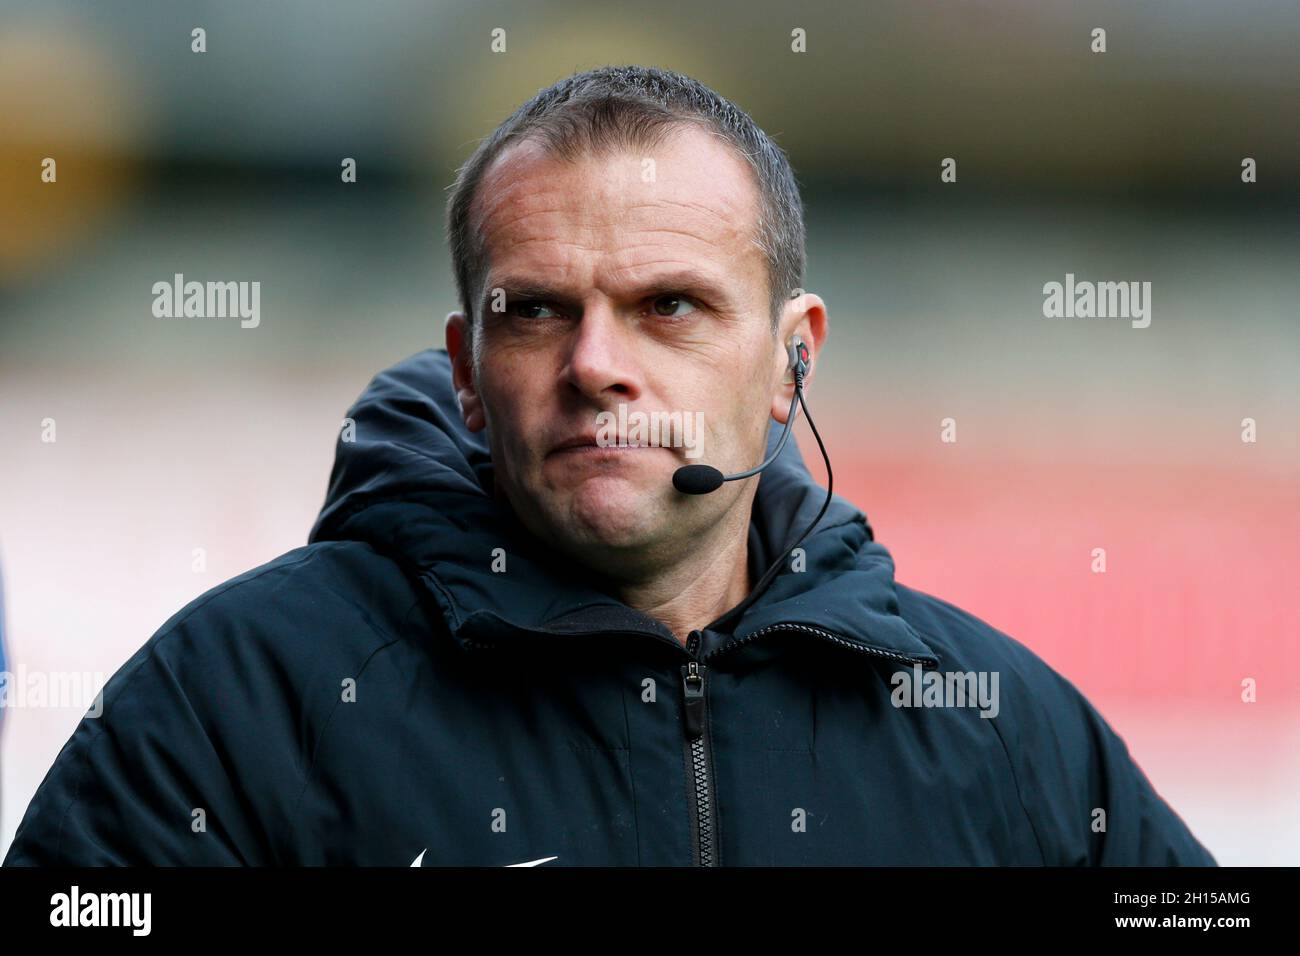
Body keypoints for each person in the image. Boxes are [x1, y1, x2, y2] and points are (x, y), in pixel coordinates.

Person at [4, 65, 1215, 866]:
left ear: (793, 359)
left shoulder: (1004, 731)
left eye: (669, 306)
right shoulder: (233, 705)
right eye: (533, 311)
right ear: (465, 370)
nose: (595, 364)